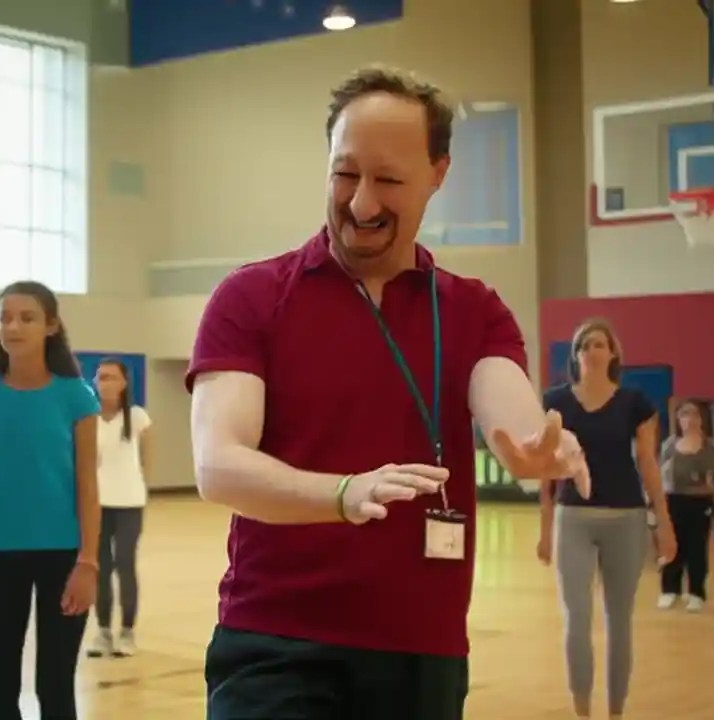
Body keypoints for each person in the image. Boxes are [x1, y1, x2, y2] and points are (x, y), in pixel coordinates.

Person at [186, 64, 590, 720]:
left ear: (439, 173)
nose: (363, 203)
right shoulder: (252, 297)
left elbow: (509, 407)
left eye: (390, 180)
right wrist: (345, 493)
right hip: (274, 643)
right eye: (346, 174)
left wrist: (533, 449)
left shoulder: (473, 310)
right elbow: (218, 464)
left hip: (419, 653)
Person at [0, 281, 100, 720]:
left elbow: (88, 486)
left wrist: (88, 562)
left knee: (55, 689)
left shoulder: (76, 397)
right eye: (5, 317)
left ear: (51, 326)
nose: (13, 326)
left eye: (26, 317)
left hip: (64, 558)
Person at [539, 319, 677, 719]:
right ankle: (582, 711)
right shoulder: (557, 402)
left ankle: (616, 712)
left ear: (613, 354)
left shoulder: (635, 402)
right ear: (576, 354)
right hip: (573, 517)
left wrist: (663, 522)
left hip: (626, 517)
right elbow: (548, 469)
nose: (591, 350)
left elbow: (648, 464)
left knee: (620, 622)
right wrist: (545, 528)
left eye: (599, 344)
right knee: (576, 620)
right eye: (584, 344)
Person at [86, 358, 153, 659]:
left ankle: (127, 631)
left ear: (124, 383)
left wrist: (141, 488)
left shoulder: (137, 417)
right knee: (99, 568)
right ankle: (102, 631)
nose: (105, 383)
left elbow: (146, 459)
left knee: (125, 563)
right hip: (97, 504)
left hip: (129, 503)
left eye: (111, 377)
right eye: (100, 377)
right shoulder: (88, 417)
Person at [658, 398, 714, 611]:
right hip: (673, 500)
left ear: (702, 419)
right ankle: (669, 589)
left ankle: (696, 592)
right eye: (684, 414)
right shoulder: (669, 446)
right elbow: (660, 473)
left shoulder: (710, 447)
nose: (689, 419)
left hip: (700, 502)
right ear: (678, 419)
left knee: (696, 548)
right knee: (672, 546)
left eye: (694, 415)